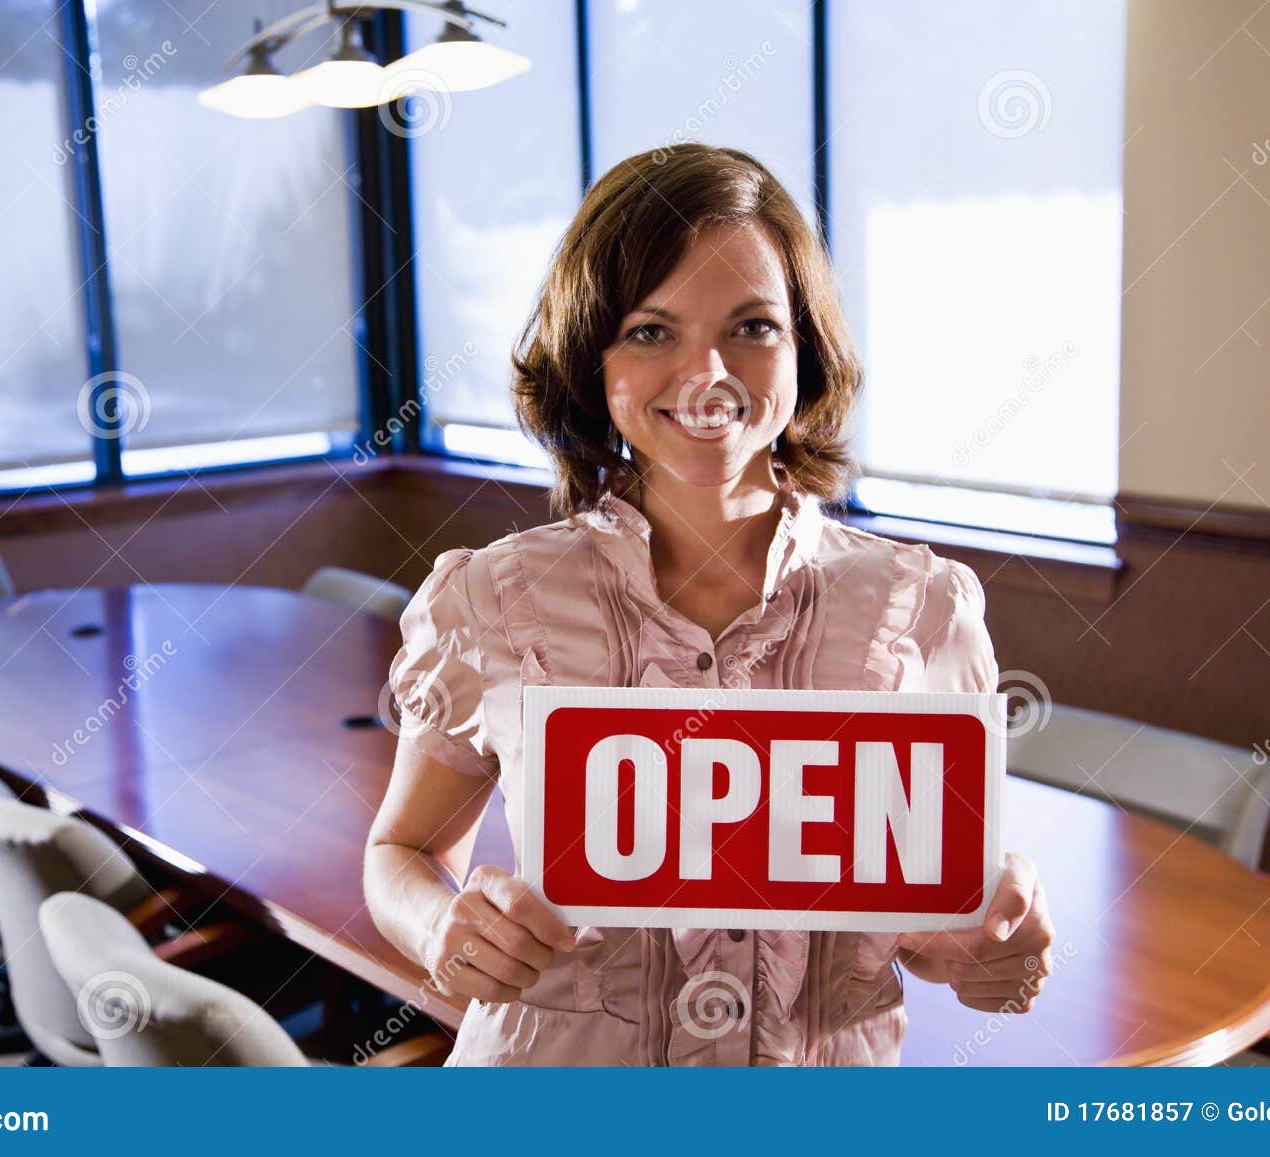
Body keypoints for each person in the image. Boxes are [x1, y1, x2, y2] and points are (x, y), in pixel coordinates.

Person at [364, 143, 1054, 1066]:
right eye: (652, 331)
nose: (707, 374)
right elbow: (401, 851)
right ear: (593, 359)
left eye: (753, 327)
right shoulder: (490, 597)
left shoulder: (923, 608)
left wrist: (988, 945)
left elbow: (933, 924)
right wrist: (440, 925)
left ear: (805, 348)